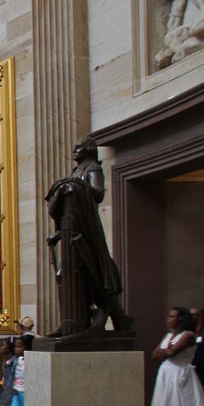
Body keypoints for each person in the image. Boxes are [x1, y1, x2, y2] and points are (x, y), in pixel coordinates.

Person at [46, 137, 131, 336]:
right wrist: (58, 236)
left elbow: (98, 194)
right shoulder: (76, 173)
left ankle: (105, 312)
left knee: (93, 274)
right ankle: (71, 319)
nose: (74, 150)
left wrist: (77, 184)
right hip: (71, 231)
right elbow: (70, 209)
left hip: (86, 232)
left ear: (89, 150)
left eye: (79, 148)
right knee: (63, 275)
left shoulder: (92, 169)